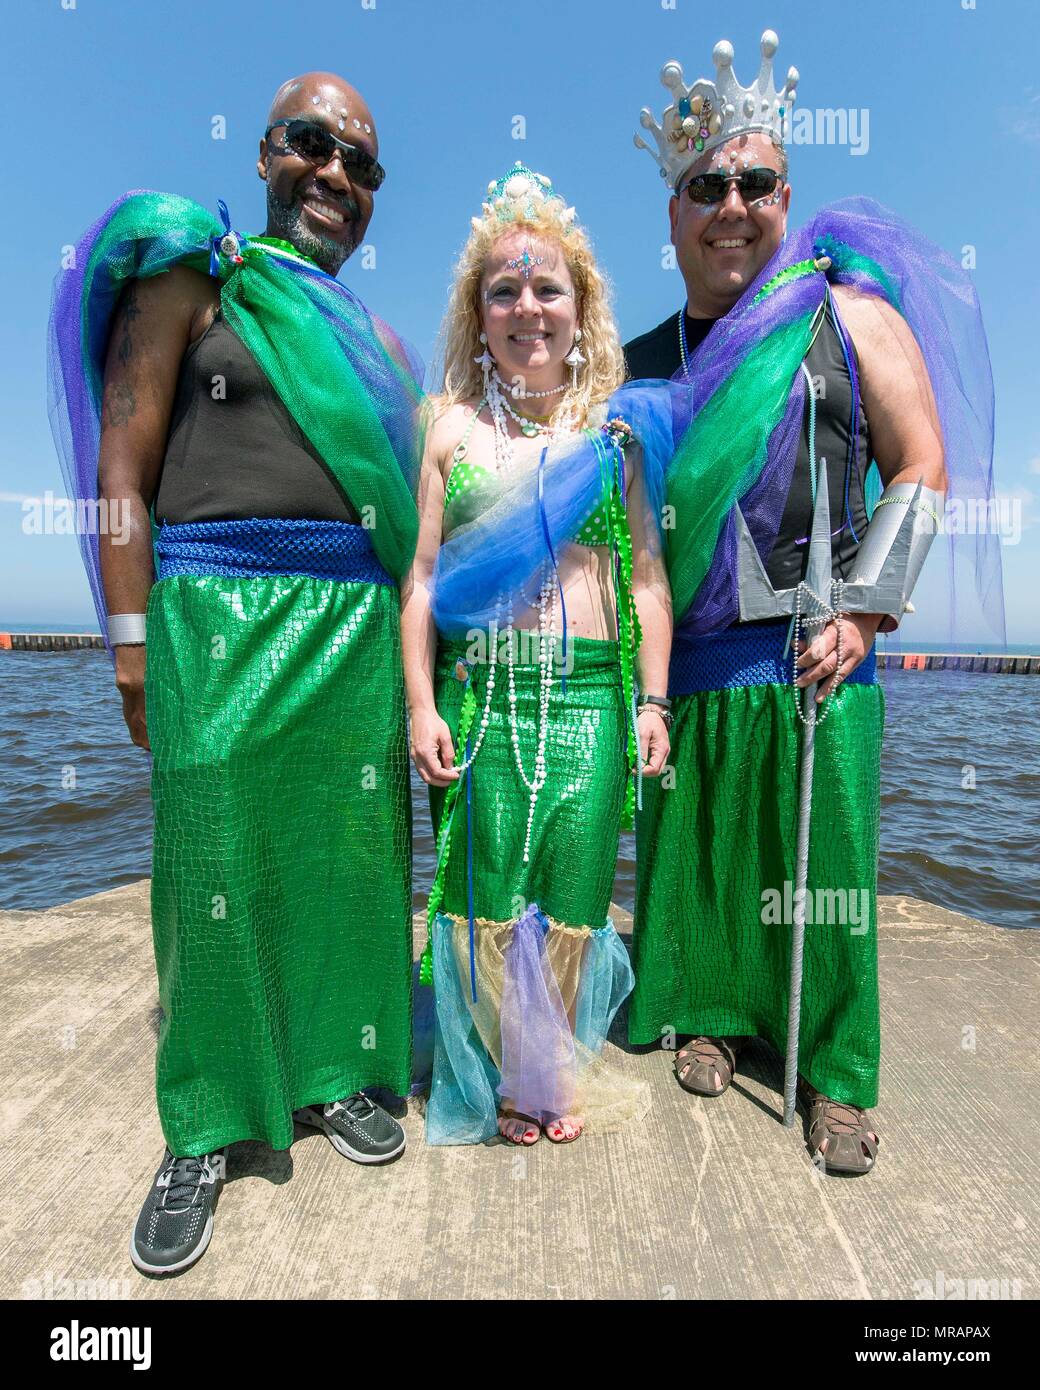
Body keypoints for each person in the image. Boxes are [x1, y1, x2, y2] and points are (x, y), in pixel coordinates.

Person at [48, 72, 424, 1271]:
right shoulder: (189, 279)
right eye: (312, 145)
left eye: (360, 164)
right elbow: (125, 448)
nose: (335, 175)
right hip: (212, 610)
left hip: (355, 626)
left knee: (348, 868)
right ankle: (205, 1124)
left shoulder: (383, 341)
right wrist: (126, 639)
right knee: (205, 865)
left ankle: (335, 1072)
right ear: (264, 154)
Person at [625, 31, 998, 1172]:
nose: (729, 206)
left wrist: (866, 615)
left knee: (821, 871)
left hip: (818, 639)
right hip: (688, 661)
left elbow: (921, 466)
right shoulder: (639, 361)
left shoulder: (850, 318)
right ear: (675, 211)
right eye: (706, 187)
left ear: (784, 198)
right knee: (698, 853)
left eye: (752, 184)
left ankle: (834, 1076)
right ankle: (710, 1013)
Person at [402, 164, 670, 1146]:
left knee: (572, 891)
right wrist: (421, 704)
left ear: (581, 305)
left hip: (595, 701)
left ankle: (543, 1061)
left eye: (546, 288)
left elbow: (644, 577)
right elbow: (421, 582)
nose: (527, 307)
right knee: (489, 896)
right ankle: (506, 1078)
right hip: (485, 702)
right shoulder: (449, 427)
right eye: (504, 290)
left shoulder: (616, 434)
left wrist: (652, 703)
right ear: (479, 313)